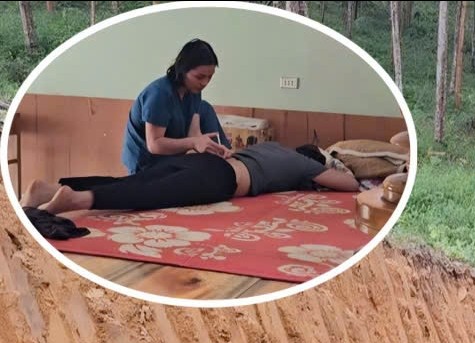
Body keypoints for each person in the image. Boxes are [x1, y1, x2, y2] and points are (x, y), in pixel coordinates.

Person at [25, 142, 359, 215]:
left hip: (201, 160)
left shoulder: (273, 146)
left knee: (133, 182)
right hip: (221, 178)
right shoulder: (303, 165)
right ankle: (79, 200)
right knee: (153, 196)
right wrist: (323, 168)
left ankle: (49, 189)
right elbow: (352, 186)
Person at [122, 39, 231, 174]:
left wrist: (213, 147)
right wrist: (193, 143)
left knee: (206, 108)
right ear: (183, 70)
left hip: (170, 160)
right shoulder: (159, 94)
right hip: (145, 163)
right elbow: (154, 144)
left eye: (210, 77)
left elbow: (194, 133)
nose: (205, 82)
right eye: (200, 77)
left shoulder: (194, 91)